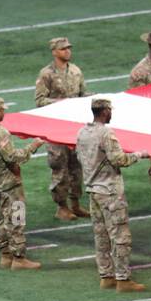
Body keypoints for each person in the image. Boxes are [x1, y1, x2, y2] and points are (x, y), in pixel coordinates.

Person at [75, 97, 151, 292]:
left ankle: (106, 276)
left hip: (93, 189)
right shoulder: (106, 133)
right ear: (105, 111)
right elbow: (119, 159)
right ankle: (123, 279)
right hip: (109, 192)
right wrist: (139, 155)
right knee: (120, 235)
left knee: (101, 236)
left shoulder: (82, 132)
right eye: (110, 110)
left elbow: (79, 156)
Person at [0, 96, 46, 270]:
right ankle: (19, 258)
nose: (4, 112)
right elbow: (12, 157)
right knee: (16, 219)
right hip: (8, 183)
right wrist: (33, 146)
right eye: (2, 109)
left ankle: (5, 255)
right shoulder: (0, 131)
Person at [35, 37, 89, 220]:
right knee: (60, 167)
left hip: (74, 127)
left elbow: (82, 94)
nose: (67, 51)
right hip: (55, 129)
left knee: (77, 166)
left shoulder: (76, 71)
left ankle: (75, 203)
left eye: (68, 48)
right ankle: (62, 207)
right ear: (54, 51)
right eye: (63, 49)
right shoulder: (46, 74)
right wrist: (61, 103)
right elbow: (40, 100)